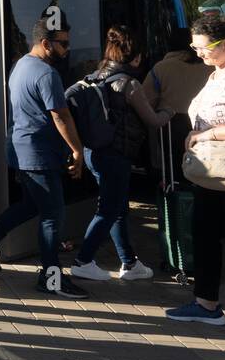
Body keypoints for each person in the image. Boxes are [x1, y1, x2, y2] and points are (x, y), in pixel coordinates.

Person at [0, 17, 89, 299]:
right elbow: (60, 115)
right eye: (63, 44)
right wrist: (77, 149)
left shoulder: (21, 64)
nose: (67, 50)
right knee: (52, 216)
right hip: (39, 154)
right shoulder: (47, 75)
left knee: (31, 205)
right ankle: (50, 279)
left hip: (21, 148)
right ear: (45, 43)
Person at [164, 16, 225, 325]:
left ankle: (206, 304)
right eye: (194, 46)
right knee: (204, 236)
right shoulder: (216, 74)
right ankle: (206, 304)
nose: (197, 53)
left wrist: (209, 134)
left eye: (202, 47)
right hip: (212, 170)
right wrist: (197, 134)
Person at [65, 26, 170, 282]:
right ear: (135, 57)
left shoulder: (93, 77)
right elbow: (153, 120)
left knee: (117, 207)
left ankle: (129, 263)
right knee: (109, 210)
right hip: (116, 155)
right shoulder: (128, 84)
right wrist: (170, 112)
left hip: (93, 152)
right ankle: (83, 260)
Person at [141, 26, 213, 181]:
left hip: (170, 126)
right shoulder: (210, 66)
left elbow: (146, 100)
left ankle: (179, 199)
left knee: (174, 168)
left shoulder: (161, 68)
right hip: (203, 124)